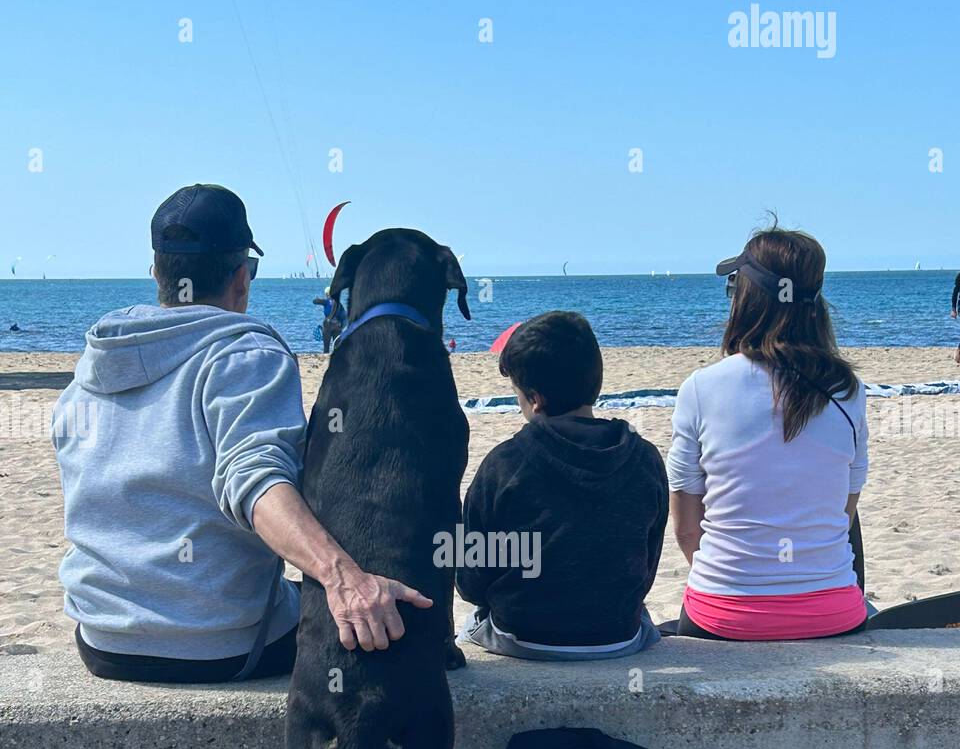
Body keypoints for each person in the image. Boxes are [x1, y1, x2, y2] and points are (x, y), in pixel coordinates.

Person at [52, 183, 432, 684]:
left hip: (103, 639)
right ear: (241, 277)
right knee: (402, 625)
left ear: (157, 275)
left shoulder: (93, 367)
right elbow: (255, 481)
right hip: (221, 645)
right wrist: (345, 578)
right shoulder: (245, 356)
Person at [667, 226, 868, 641]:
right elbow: (843, 514)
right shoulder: (849, 391)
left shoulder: (701, 388)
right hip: (833, 614)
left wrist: (740, 592)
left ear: (747, 300)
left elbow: (687, 529)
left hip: (723, 616)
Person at [456, 310, 668, 660]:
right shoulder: (644, 457)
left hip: (523, 636)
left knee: (470, 626)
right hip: (617, 635)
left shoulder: (505, 462)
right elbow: (647, 564)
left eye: (517, 395)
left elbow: (470, 581)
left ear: (535, 399)